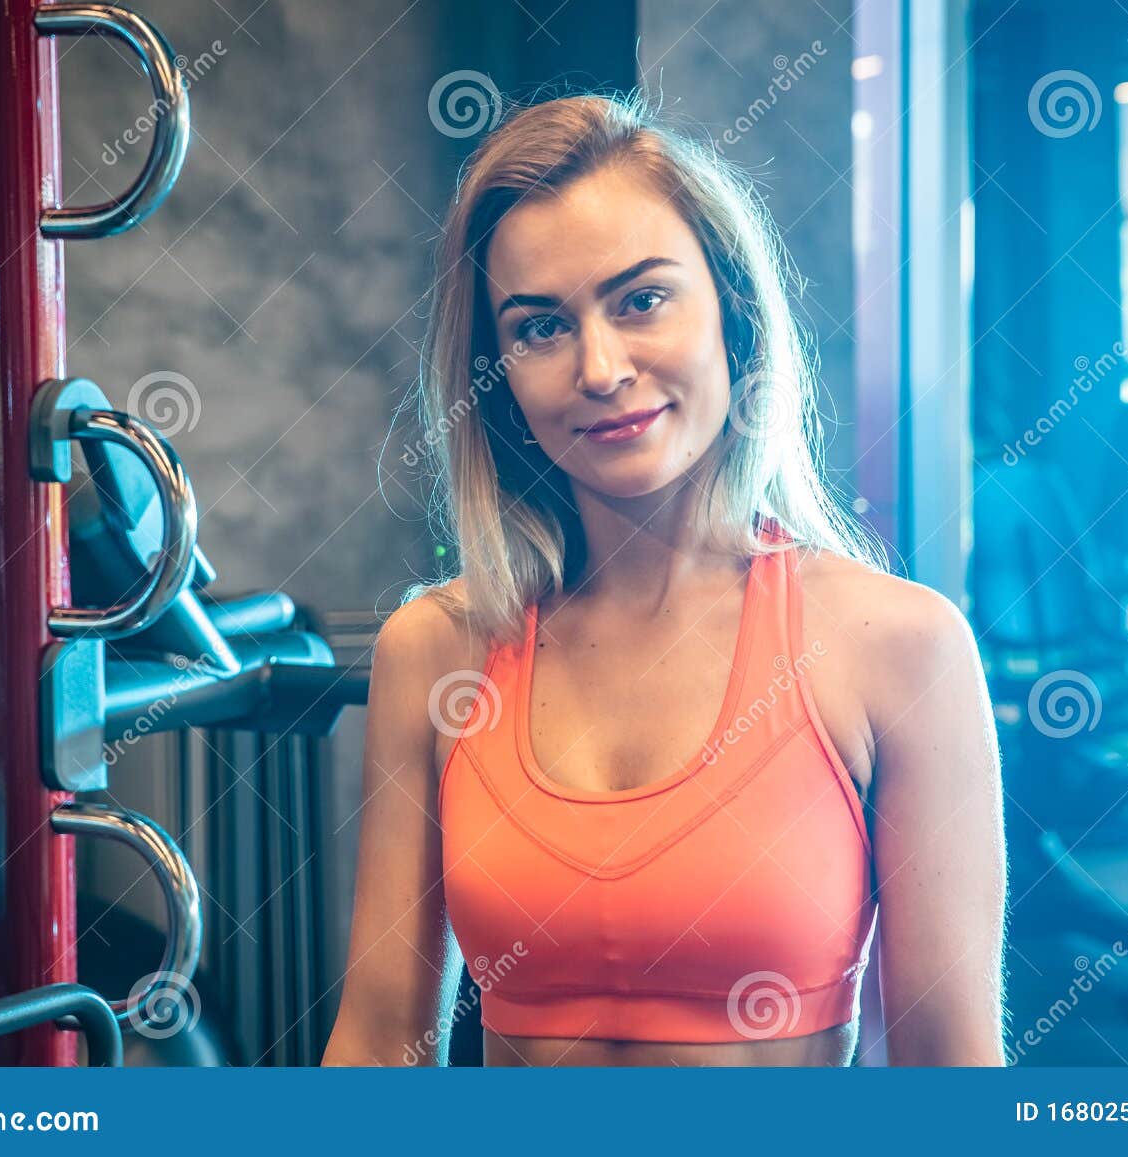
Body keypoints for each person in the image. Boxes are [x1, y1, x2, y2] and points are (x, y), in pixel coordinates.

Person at [322, 91, 1006, 1067]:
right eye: (539, 327)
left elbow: (951, 1065)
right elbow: (382, 1038)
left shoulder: (897, 647)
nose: (599, 368)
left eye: (641, 299)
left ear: (732, 312)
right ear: (498, 373)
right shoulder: (435, 648)